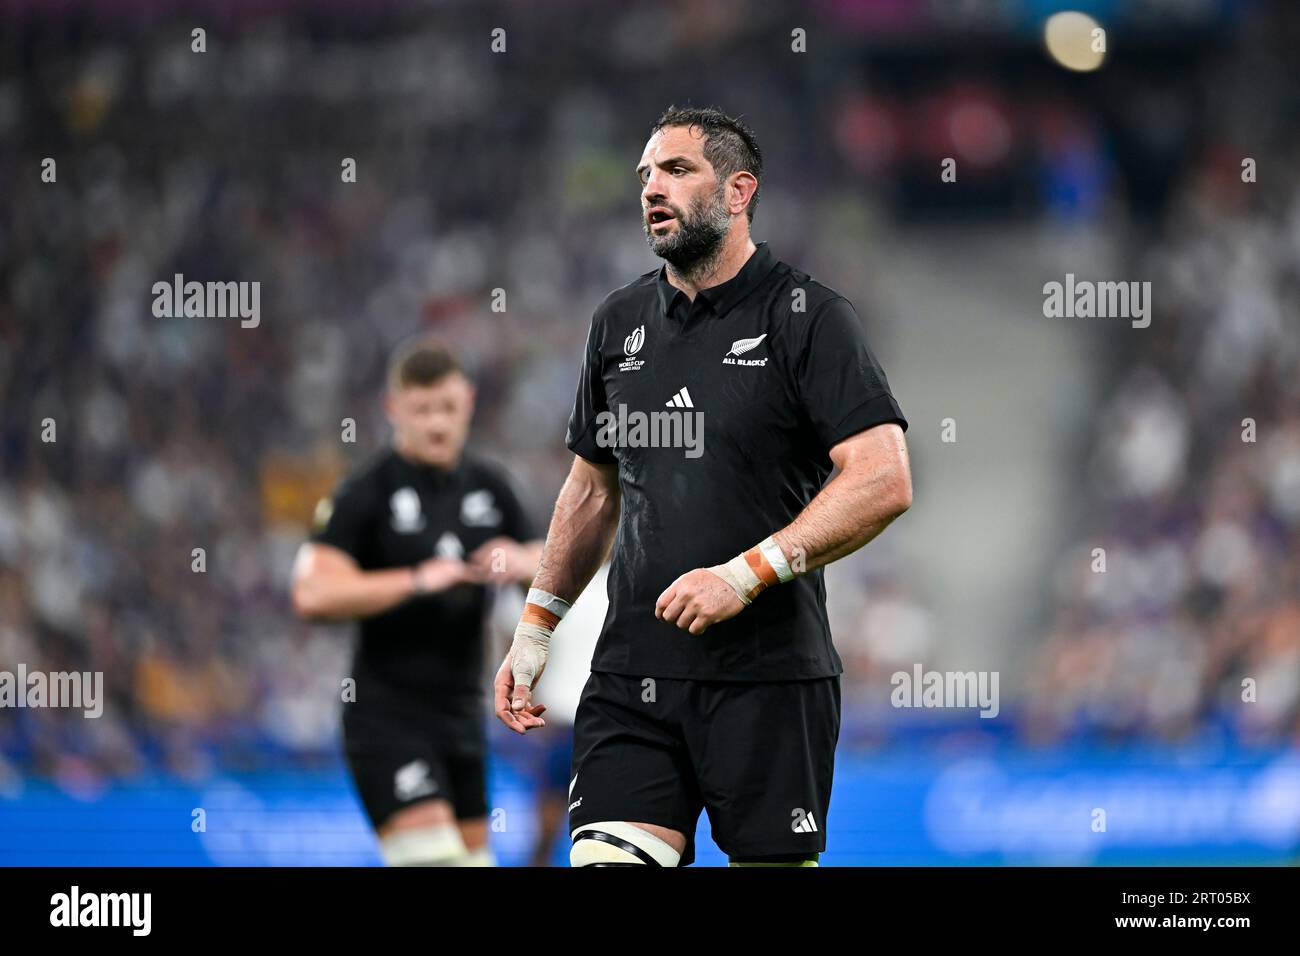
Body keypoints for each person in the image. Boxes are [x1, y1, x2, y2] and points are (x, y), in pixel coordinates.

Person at [492, 106, 913, 867]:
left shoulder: (809, 318)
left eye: (678, 170)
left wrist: (747, 573)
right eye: (645, 175)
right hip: (630, 673)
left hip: (769, 677)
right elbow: (591, 490)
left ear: (739, 190)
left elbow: (882, 478)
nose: (653, 187)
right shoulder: (617, 322)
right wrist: (534, 629)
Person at [292, 337, 542, 866]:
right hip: (386, 715)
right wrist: (415, 580)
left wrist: (520, 562)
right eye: (422, 409)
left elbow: (553, 566)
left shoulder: (492, 488)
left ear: (468, 403)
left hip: (461, 715)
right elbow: (311, 591)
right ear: (393, 408)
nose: (436, 424)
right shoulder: (365, 492)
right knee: (435, 862)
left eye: (447, 408)